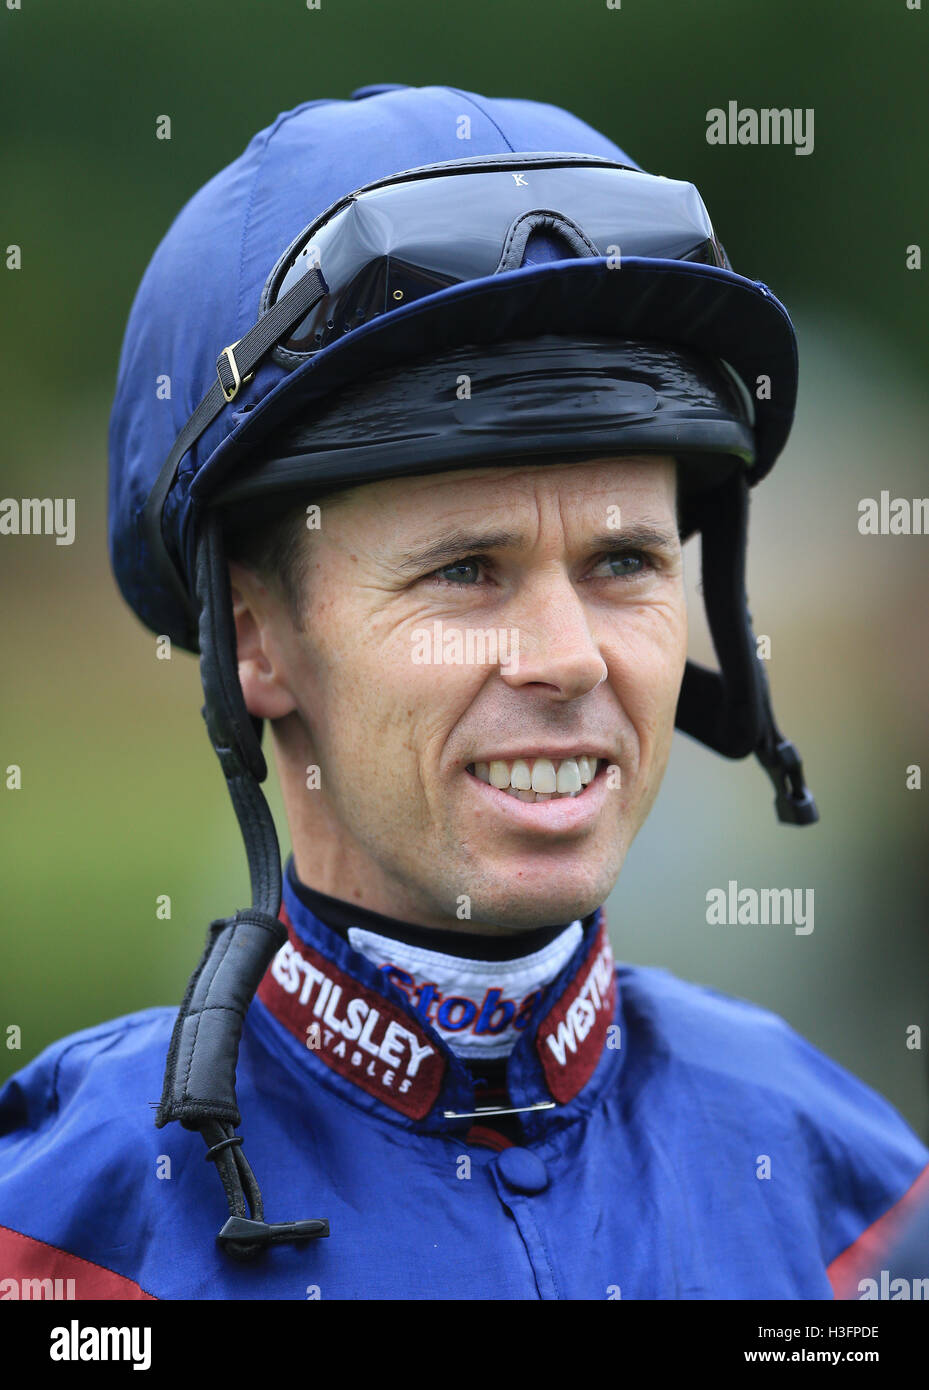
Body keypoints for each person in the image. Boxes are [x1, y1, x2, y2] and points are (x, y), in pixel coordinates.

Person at [0, 83, 926, 1301]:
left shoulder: (855, 1202)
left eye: (622, 563)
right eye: (465, 571)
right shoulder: (60, 1245)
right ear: (254, 641)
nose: (570, 655)